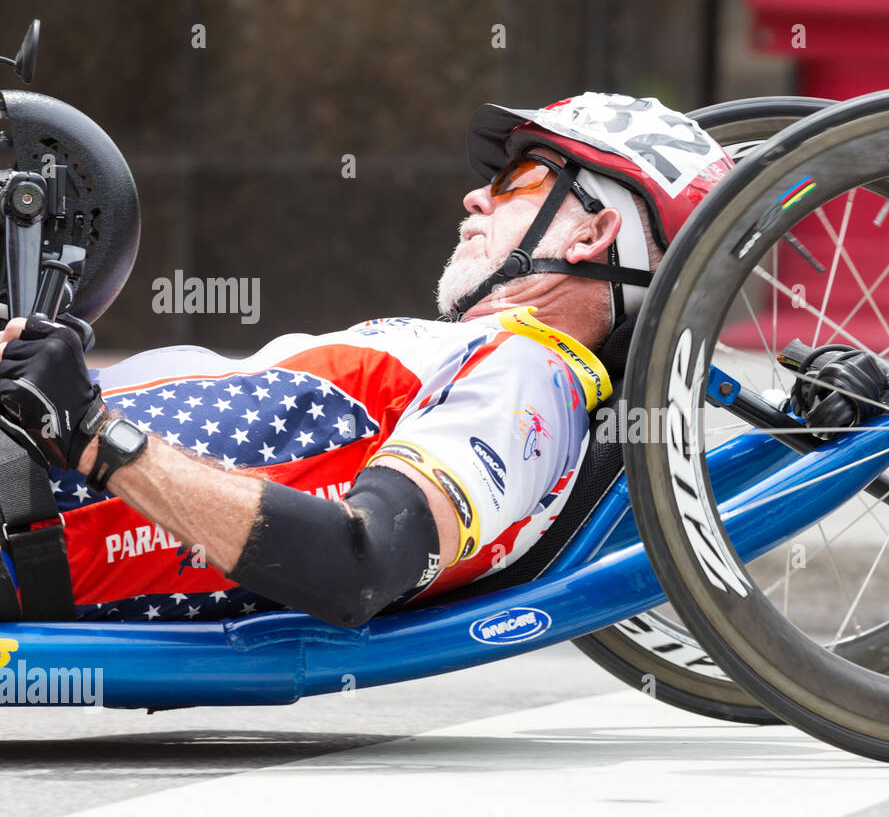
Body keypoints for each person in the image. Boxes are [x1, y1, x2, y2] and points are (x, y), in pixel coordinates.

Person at [0, 92, 731, 626]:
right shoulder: (478, 353)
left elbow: (362, 561)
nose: (478, 196)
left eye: (518, 181)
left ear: (591, 235)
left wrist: (97, 432)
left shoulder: (528, 376)